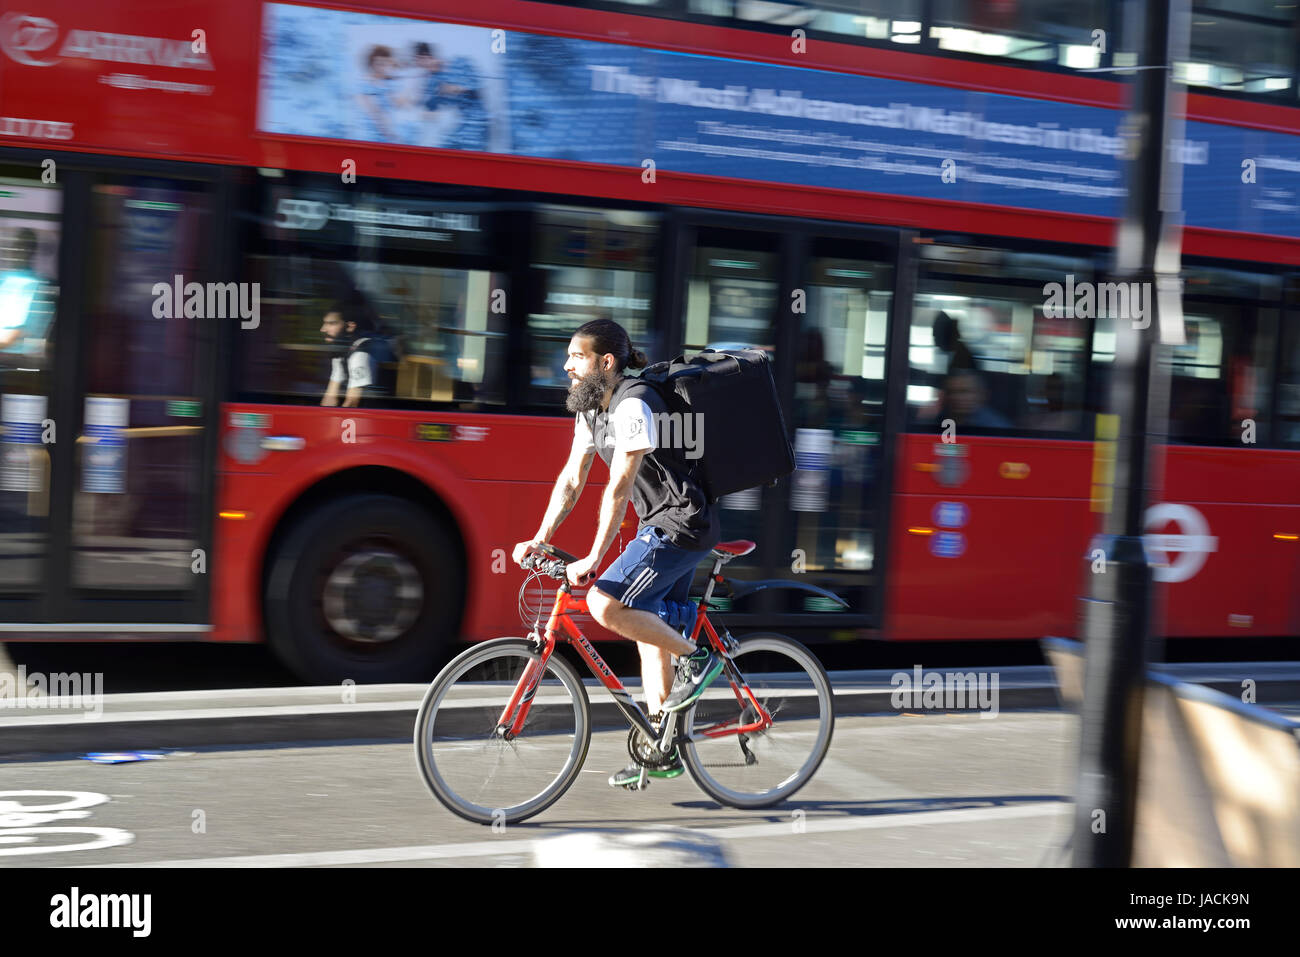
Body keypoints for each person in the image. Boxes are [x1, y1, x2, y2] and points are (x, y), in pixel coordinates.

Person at [512, 318, 723, 789]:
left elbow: (620, 484)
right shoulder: (592, 410)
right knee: (650, 633)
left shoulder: (635, 404)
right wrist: (541, 536)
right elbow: (571, 479)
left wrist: (591, 558)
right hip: (661, 525)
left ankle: (698, 657)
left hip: (682, 524)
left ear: (606, 363)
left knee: (604, 603)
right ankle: (661, 750)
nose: (566, 365)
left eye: (576, 356)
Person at [320, 302, 396, 407]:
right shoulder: (342, 349)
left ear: (350, 327)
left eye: (331, 323)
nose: (323, 329)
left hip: (376, 412)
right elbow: (330, 396)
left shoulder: (360, 353)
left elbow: (352, 403)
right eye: (324, 323)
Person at [0, 228, 54, 365]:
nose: (17, 252)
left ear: (31, 252)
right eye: (17, 246)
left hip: (13, 362)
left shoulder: (33, 287)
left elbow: (14, 336)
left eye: (24, 247)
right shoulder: (5, 279)